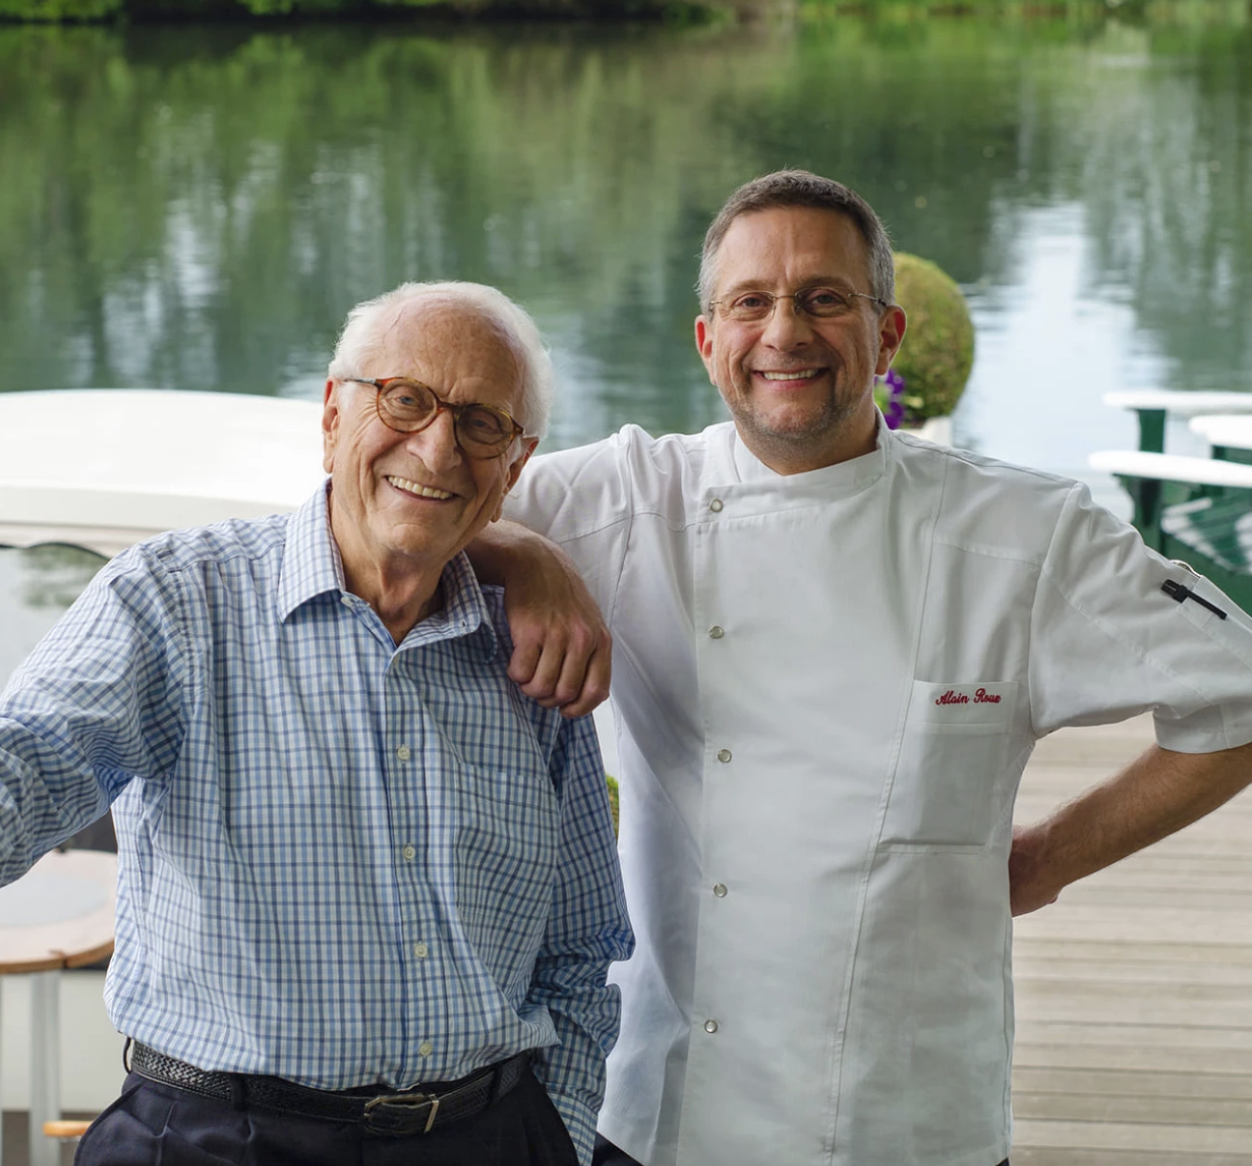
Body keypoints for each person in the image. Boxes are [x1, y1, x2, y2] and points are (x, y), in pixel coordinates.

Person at [470, 171, 1252, 1166]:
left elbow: (1239, 689)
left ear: (884, 335)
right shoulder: (627, 496)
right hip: (662, 1110)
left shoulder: (1023, 534)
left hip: (910, 1113)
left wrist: (1048, 855)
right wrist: (525, 554)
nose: (784, 331)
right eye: (750, 301)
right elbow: (406, 514)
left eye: (823, 298)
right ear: (708, 342)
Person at [0, 282, 632, 1166]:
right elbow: (27, 766)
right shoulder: (176, 604)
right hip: (219, 1140)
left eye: (482, 423)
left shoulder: (531, 658)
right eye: (405, 399)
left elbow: (579, 951)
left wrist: (552, 1135)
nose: (438, 446)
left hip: (487, 1138)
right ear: (333, 415)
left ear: (514, 466)